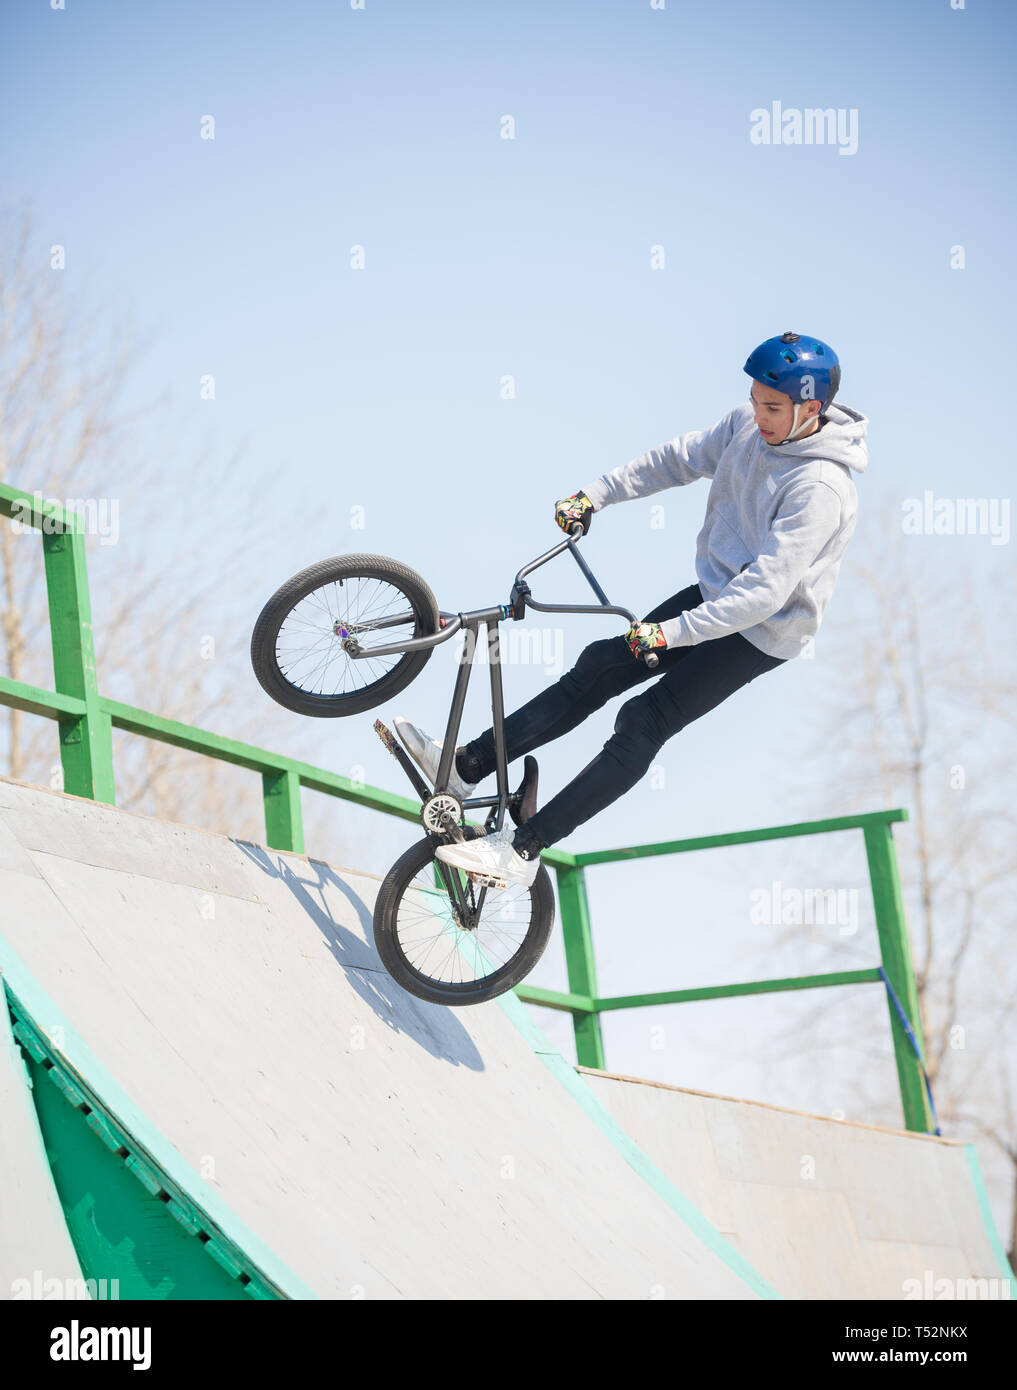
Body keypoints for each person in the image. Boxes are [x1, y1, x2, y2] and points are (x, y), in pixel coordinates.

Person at [395, 332, 868, 889]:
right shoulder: (745, 425)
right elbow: (676, 459)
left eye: (772, 407)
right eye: (756, 399)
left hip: (765, 630)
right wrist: (595, 493)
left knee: (645, 720)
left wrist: (670, 634)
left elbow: (765, 593)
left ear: (811, 409)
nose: (758, 415)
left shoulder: (820, 488)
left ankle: (523, 850)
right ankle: (467, 766)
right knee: (602, 665)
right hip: (718, 595)